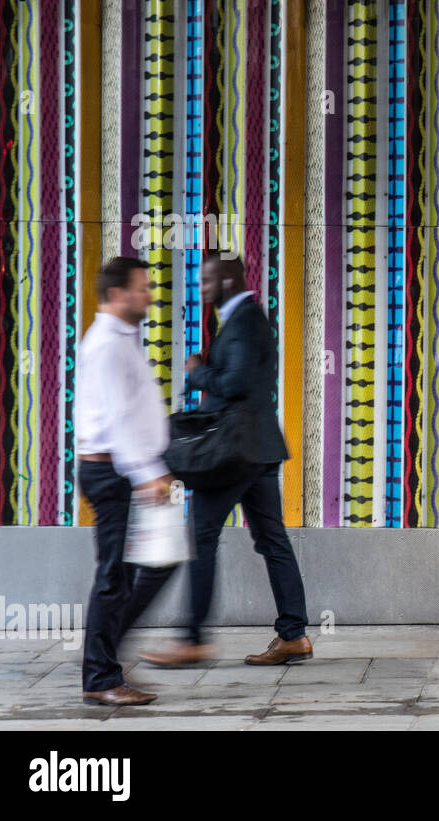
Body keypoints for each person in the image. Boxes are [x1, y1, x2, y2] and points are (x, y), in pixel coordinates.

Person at [139, 254, 312, 667]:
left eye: (208, 281)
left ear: (230, 280)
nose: (202, 289)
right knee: (272, 542)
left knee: (200, 538)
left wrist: (198, 370)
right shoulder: (244, 320)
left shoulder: (246, 321)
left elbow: (235, 384)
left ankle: (192, 640)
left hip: (236, 454)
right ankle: (294, 635)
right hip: (258, 450)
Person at [75, 257, 175, 706]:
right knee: (115, 576)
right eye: (142, 287)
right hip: (113, 471)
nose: (149, 294)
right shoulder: (109, 345)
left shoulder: (120, 339)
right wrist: (147, 474)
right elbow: (117, 419)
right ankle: (100, 677)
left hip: (123, 470)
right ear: (117, 294)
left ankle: (105, 657)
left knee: (147, 565)